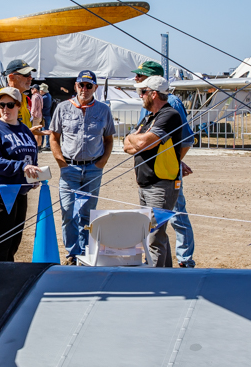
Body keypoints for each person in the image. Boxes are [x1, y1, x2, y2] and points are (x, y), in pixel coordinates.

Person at [133, 60, 196, 266]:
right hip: (150, 175)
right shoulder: (147, 104)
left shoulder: (172, 104)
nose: (136, 79)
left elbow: (186, 139)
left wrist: (174, 161)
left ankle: (185, 259)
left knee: (176, 216)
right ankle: (164, 264)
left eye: (140, 76)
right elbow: (137, 138)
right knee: (155, 224)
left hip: (165, 175)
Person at [49, 69, 115, 265]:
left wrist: (102, 162)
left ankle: (85, 253)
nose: (84, 89)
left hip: (93, 169)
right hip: (69, 168)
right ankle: (72, 253)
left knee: (87, 212)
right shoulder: (62, 108)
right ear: (75, 86)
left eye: (88, 85)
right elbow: (54, 137)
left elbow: (109, 139)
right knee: (68, 211)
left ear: (95, 88)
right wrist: (61, 163)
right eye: (81, 85)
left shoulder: (103, 110)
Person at [123, 76, 184, 267]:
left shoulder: (169, 115)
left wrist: (135, 139)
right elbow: (126, 145)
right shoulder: (149, 117)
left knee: (154, 236)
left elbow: (140, 142)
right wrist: (136, 140)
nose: (140, 96)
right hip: (146, 183)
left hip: (161, 184)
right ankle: (166, 274)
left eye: (143, 92)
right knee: (154, 234)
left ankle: (154, 276)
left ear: (153, 94)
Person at [0, 87, 43, 261]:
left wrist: (34, 176)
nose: (5, 109)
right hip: (1, 194)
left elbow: (31, 157)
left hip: (20, 192)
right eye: (1, 105)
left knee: (13, 243)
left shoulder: (25, 129)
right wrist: (22, 167)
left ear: (19, 106)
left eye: (10, 105)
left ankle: (8, 274)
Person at [1, 59, 44, 144]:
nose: (30, 77)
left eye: (30, 74)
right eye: (26, 74)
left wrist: (30, 133)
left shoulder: (26, 99)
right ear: (11, 77)